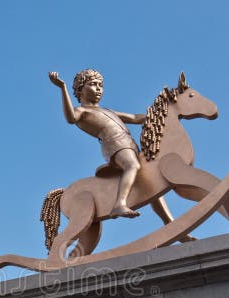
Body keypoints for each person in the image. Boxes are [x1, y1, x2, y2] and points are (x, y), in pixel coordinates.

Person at [48, 68, 177, 221]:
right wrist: (62, 88)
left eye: (100, 85)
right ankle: (119, 204)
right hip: (114, 144)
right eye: (93, 84)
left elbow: (135, 118)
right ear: (80, 89)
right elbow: (70, 118)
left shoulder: (108, 111)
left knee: (150, 183)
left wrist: (162, 112)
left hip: (129, 144)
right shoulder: (81, 111)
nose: (98, 89)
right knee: (132, 166)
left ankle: (169, 222)